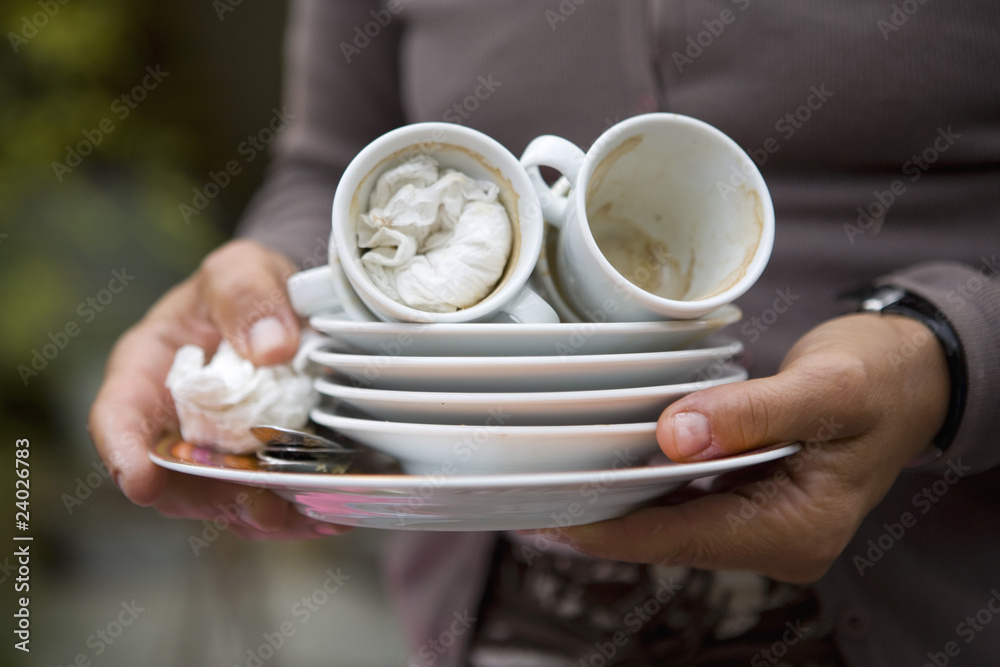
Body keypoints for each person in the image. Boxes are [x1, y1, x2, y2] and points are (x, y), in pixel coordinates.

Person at [89, 2, 1000, 664]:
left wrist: (950, 347)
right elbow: (327, 163)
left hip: (935, 588)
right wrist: (265, 279)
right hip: (504, 612)